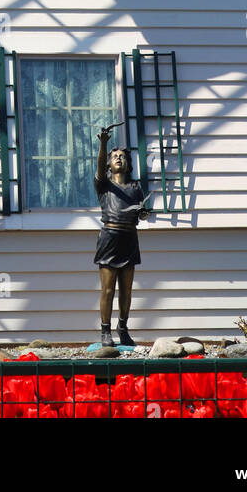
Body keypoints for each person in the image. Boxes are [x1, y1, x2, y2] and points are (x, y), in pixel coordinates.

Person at [93, 127, 150, 347]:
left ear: (128, 163)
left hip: (129, 238)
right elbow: (99, 167)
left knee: (126, 289)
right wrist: (103, 145)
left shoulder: (136, 187)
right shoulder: (104, 184)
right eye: (114, 156)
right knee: (108, 289)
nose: (119, 158)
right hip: (109, 237)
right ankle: (105, 331)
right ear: (108, 164)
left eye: (122, 156)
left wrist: (143, 214)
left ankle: (123, 327)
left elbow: (141, 212)